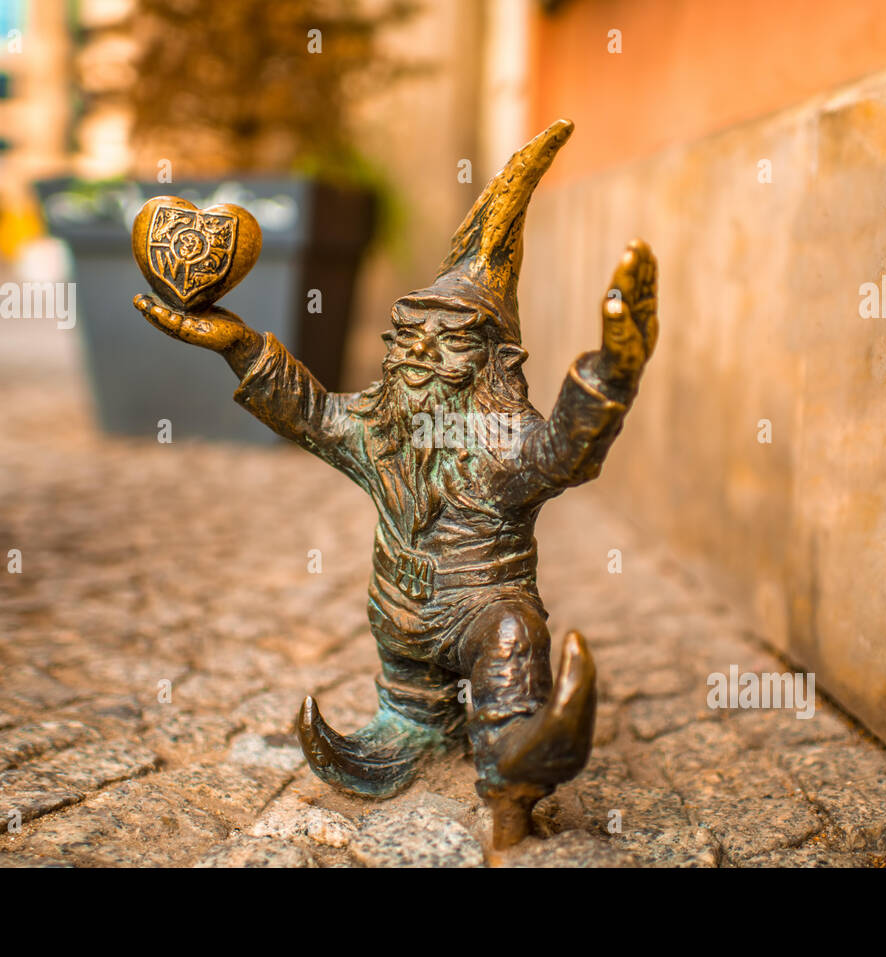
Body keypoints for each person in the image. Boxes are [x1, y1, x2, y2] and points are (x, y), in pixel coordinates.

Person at [133, 120, 660, 847]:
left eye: (447, 340)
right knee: (410, 704)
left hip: (480, 607)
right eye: (410, 335)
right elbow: (312, 411)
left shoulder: (503, 440)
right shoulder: (380, 426)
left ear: (494, 360)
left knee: (513, 637)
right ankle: (412, 724)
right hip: (399, 622)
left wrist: (611, 372)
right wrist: (240, 343)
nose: (419, 354)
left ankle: (513, 774)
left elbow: (565, 449)